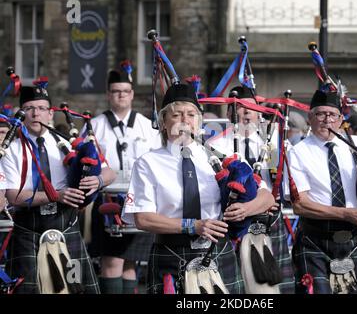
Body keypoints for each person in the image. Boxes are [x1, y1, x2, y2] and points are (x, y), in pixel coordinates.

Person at [122, 83, 275, 294]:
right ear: (164, 122)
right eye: (177, 115)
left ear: (198, 122)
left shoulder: (222, 156)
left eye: (191, 114)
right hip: (170, 253)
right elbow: (143, 219)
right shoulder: (148, 163)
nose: (185, 120)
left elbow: (266, 197)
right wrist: (192, 226)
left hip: (217, 252)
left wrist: (246, 209)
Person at [0, 82, 115, 294]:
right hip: (28, 233)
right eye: (30, 108)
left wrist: (97, 181)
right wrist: (56, 196)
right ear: (21, 113)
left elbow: (109, 172)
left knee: (76, 289)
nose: (36, 114)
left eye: (42, 108)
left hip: (67, 229)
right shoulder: (12, 150)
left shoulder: (69, 143)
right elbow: (14, 196)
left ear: (50, 113)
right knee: (30, 290)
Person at [207, 85, 295, 293]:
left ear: (259, 112)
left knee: (274, 288)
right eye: (240, 107)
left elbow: (277, 183)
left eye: (251, 107)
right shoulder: (215, 144)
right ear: (229, 113)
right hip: (235, 223)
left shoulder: (273, 140)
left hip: (270, 218)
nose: (247, 111)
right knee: (238, 289)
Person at [288, 89, 357, 294]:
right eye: (320, 114)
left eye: (332, 114)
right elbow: (300, 205)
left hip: (355, 238)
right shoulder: (298, 152)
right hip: (316, 239)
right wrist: (346, 213)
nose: (327, 119)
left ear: (340, 119)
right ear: (310, 118)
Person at [86, 62, 162, 294]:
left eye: (125, 91)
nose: (121, 95)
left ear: (132, 94)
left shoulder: (147, 126)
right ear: (109, 95)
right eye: (116, 91)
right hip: (107, 201)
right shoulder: (94, 126)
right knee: (111, 262)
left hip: (138, 200)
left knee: (131, 263)